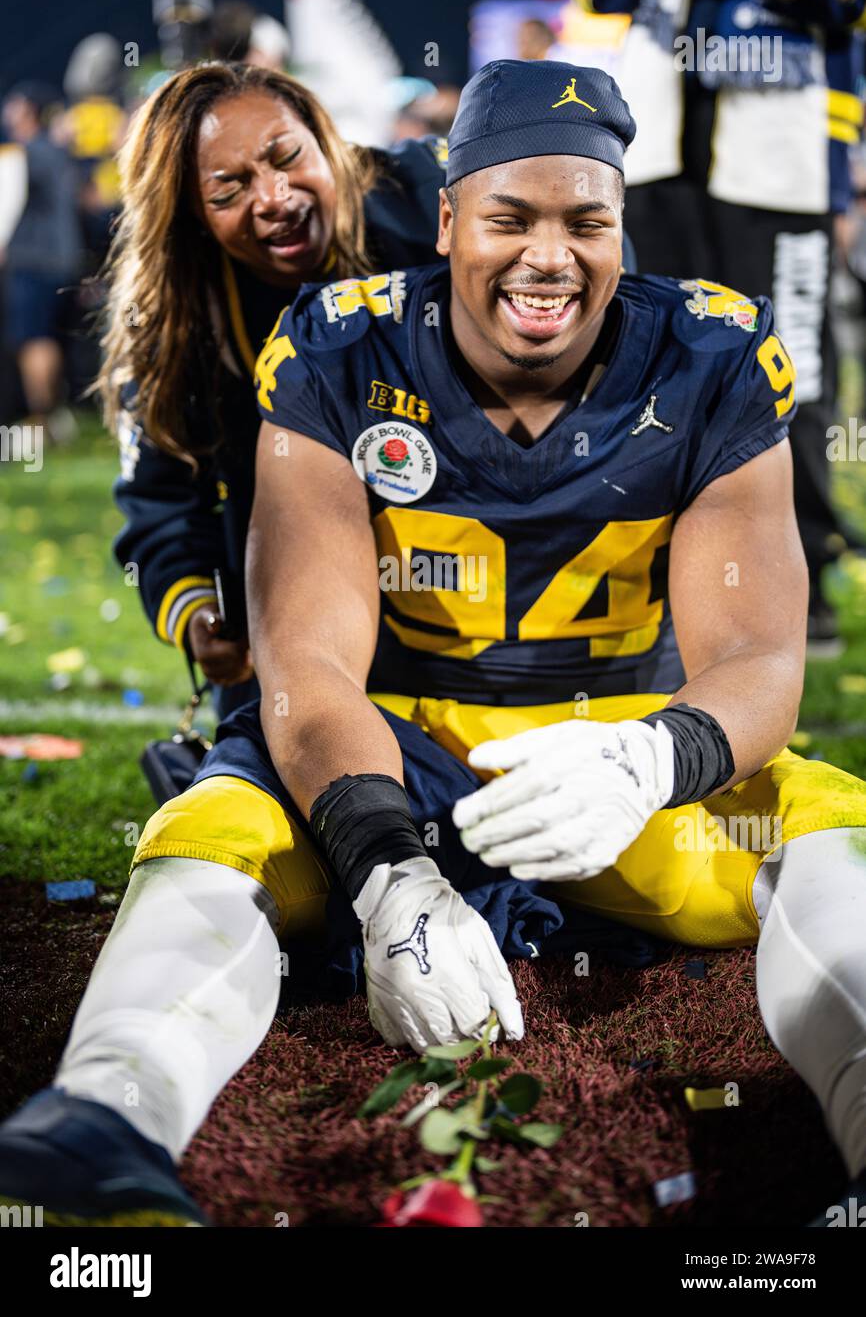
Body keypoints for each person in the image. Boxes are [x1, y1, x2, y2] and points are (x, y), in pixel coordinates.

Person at [3, 60, 866, 1229]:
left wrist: (654, 757)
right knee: (217, 819)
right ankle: (111, 1108)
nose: (549, 256)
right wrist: (385, 865)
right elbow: (303, 662)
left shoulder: (710, 352)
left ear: (623, 226)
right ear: (447, 219)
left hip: (611, 757)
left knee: (817, 827)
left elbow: (762, 653)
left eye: (585, 221)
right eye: (508, 218)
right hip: (390, 740)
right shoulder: (332, 346)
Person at [97, 62, 447, 718]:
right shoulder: (177, 318)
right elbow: (162, 498)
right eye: (227, 191)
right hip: (298, 617)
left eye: (287, 156)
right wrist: (200, 610)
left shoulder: (431, 197)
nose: (274, 197)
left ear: (326, 139)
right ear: (190, 217)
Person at [569, 0, 866, 654]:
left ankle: (802, 574)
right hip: (655, 152)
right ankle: (648, 562)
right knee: (647, 364)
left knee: (790, 370)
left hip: (783, 159)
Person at [1, 81, 82, 437]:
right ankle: (55, 413)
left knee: (34, 338)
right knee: (50, 337)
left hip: (33, 258)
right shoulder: (61, 152)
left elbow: (9, 203)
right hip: (66, 259)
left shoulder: (24, 153)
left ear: (29, 111)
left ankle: (41, 418)